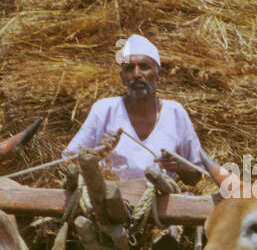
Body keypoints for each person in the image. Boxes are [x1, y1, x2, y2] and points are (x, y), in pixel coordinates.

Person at [64, 34, 204, 185]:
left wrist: (178, 166)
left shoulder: (175, 113)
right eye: (130, 68)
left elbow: (196, 177)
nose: (137, 74)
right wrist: (98, 153)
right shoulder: (104, 110)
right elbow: (67, 163)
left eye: (144, 67)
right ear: (123, 78)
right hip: (109, 200)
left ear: (159, 75)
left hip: (158, 201)